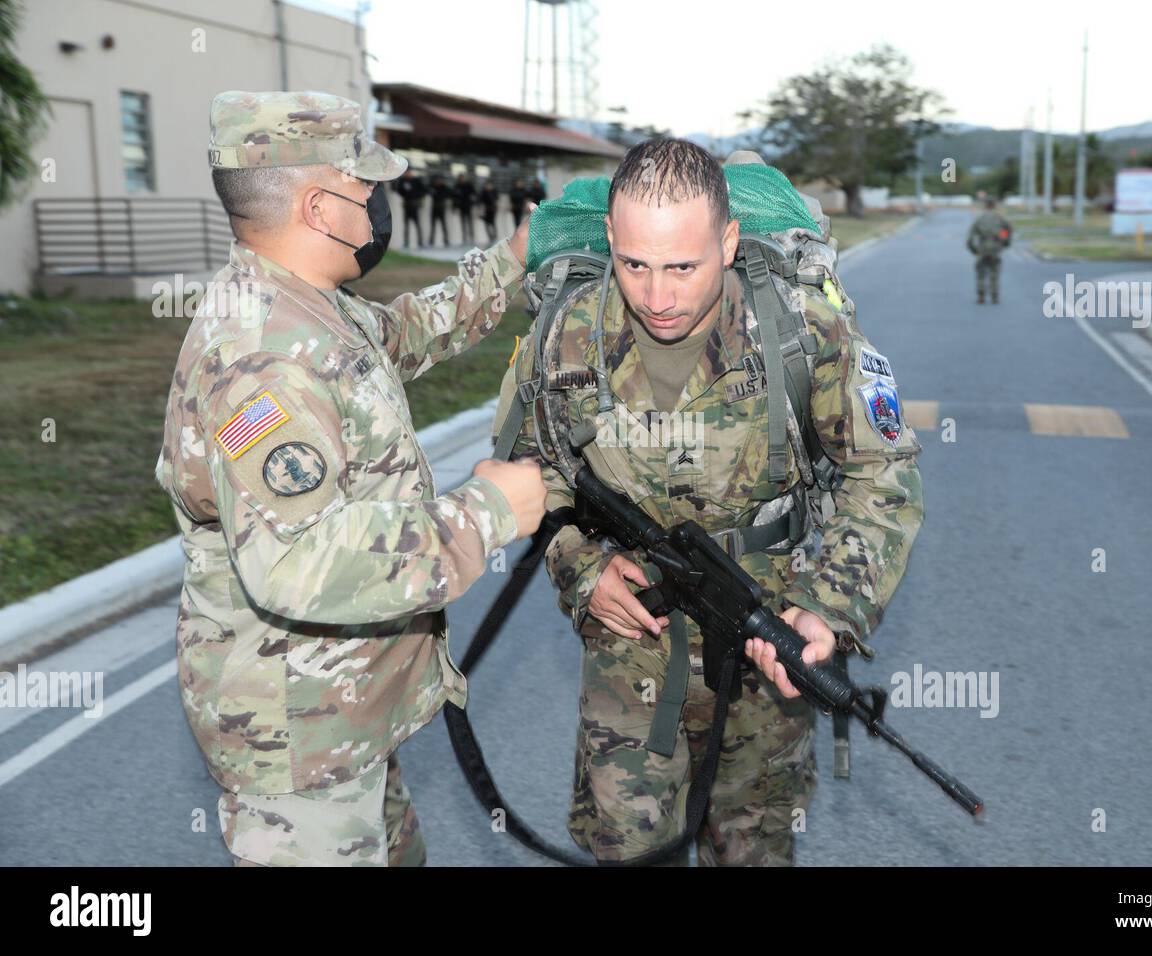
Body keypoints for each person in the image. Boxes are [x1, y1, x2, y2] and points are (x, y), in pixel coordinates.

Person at [493, 138, 924, 865]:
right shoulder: (565, 334)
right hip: (627, 659)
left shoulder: (804, 332)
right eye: (635, 265)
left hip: (764, 644)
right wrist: (580, 569)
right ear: (610, 241)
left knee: (752, 852)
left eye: (682, 267)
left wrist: (829, 607)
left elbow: (883, 475)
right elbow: (534, 471)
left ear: (727, 241)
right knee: (628, 851)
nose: (658, 297)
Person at [156, 90, 544, 867]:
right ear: (322, 207)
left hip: (344, 711)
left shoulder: (310, 308)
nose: (378, 207)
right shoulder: (259, 358)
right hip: (299, 740)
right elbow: (300, 563)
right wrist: (488, 512)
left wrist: (513, 258)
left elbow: (407, 331)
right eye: (367, 191)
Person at [966, 198, 1013, 304]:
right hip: (995, 248)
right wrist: (1005, 241)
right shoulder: (1000, 218)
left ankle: (981, 295)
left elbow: (970, 237)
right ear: (995, 206)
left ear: (985, 206)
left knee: (981, 273)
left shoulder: (979, 219)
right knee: (994, 273)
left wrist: (974, 249)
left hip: (983, 248)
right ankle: (994, 296)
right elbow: (1008, 229)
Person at [391, 167, 428, 248]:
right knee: (406, 225)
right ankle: (406, 242)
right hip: (407, 205)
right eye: (406, 173)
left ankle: (420, 242)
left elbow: (424, 190)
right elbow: (396, 189)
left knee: (417, 224)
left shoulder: (416, 181)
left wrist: (418, 197)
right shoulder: (402, 181)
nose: (408, 174)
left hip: (414, 205)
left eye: (409, 173)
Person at [427, 174, 452, 247]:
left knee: (444, 225)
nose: (438, 182)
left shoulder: (444, 188)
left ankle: (446, 240)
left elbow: (450, 193)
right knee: (433, 225)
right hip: (434, 208)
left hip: (441, 208)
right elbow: (428, 190)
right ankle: (431, 241)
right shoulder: (432, 187)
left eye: (440, 180)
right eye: (437, 180)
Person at [453, 172, 476, 245]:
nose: (462, 179)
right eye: (461, 178)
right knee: (463, 223)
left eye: (463, 178)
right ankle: (464, 238)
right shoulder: (457, 186)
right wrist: (455, 206)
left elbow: (474, 194)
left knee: (470, 223)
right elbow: (455, 196)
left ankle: (472, 237)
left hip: (468, 206)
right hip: (461, 207)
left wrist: (472, 201)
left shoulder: (468, 185)